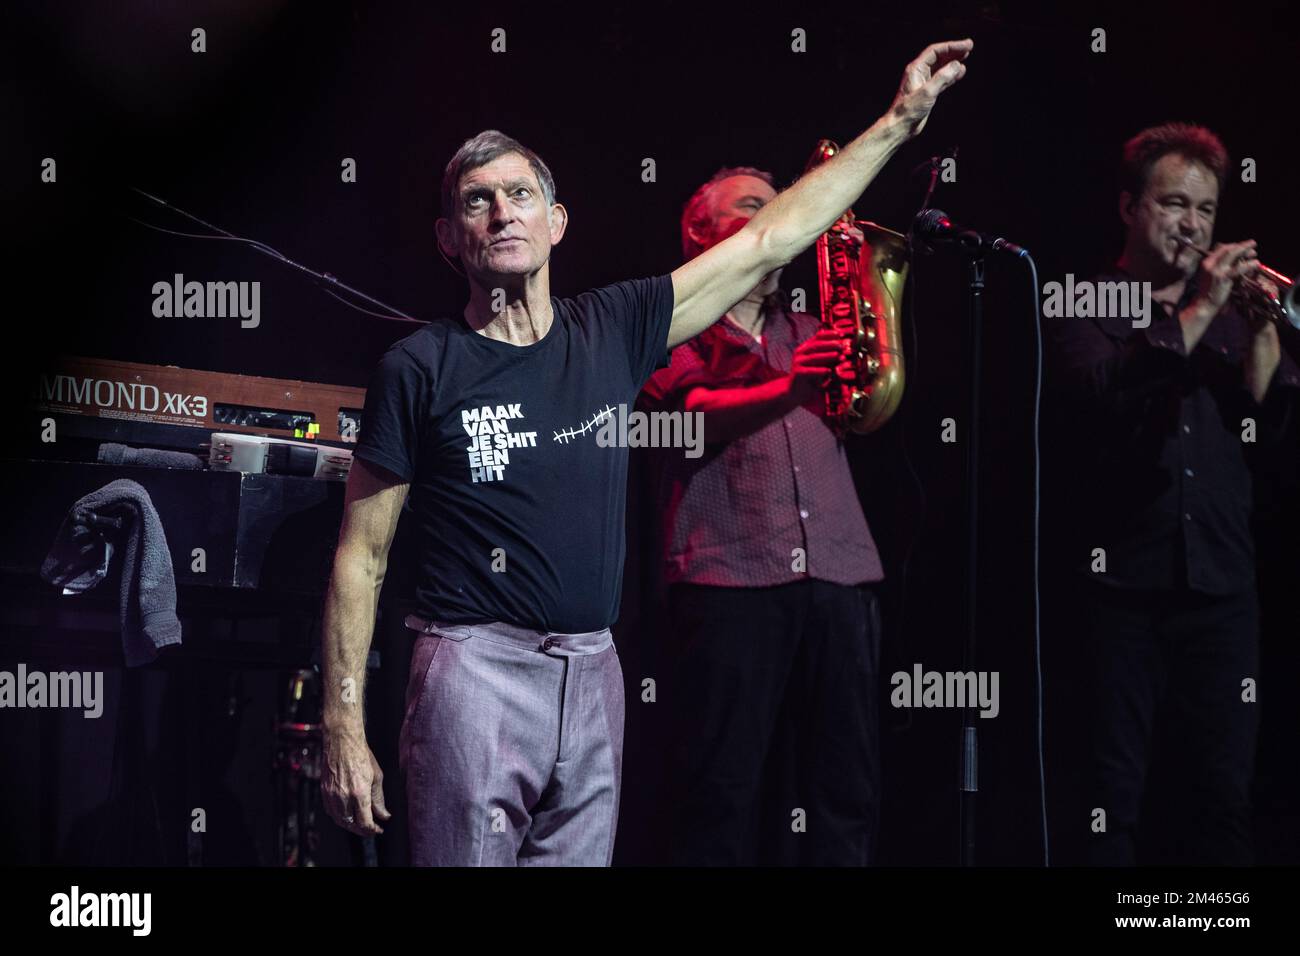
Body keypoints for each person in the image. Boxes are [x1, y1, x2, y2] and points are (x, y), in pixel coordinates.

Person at [318, 39, 973, 866]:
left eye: (521, 195)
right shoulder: (420, 366)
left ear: (557, 223)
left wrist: (899, 121)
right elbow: (360, 558)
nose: (502, 213)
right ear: (450, 238)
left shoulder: (613, 329)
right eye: (478, 203)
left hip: (593, 671)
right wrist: (344, 723)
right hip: (473, 668)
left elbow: (771, 239)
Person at [1047, 122, 1300, 865]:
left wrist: (1259, 332)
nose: (1193, 225)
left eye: (1206, 210)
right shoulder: (1079, 299)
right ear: (1129, 208)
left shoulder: (1228, 312)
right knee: (1110, 793)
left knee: (1223, 794)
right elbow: (1101, 394)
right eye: (1174, 204)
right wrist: (1195, 312)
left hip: (1221, 585)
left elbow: (1270, 424)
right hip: (1118, 585)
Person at [639, 165, 886, 865]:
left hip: (841, 576)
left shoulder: (815, 328)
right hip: (730, 581)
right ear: (699, 234)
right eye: (753, 206)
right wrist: (792, 386)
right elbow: (689, 420)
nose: (777, 215)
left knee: (844, 790)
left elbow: (872, 412)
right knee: (719, 794)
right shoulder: (669, 328)